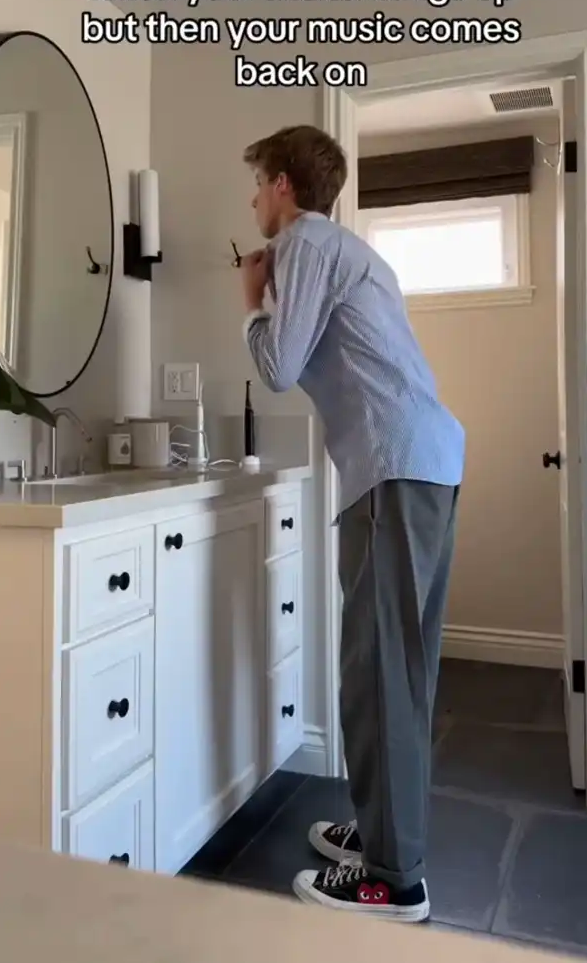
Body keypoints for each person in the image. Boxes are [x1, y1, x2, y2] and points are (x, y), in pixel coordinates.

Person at [239, 124, 465, 922]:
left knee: (379, 674)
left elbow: (278, 367)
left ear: (284, 185)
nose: (254, 200)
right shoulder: (345, 251)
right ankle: (382, 834)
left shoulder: (304, 241)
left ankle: (393, 880)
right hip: (424, 461)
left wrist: (251, 303)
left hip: (392, 467)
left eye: (259, 183)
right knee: (400, 670)